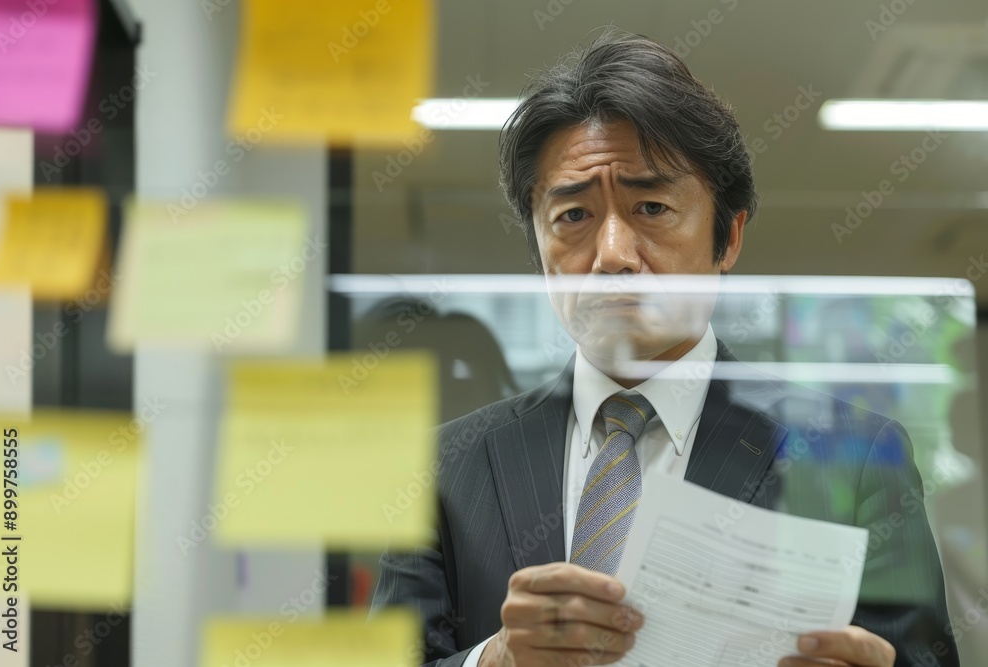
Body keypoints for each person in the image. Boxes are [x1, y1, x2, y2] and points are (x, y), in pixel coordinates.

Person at [371, 31, 958, 667]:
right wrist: (498, 659)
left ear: (728, 238)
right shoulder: (445, 467)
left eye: (651, 207)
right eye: (573, 216)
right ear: (538, 247)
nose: (612, 256)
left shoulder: (854, 458)